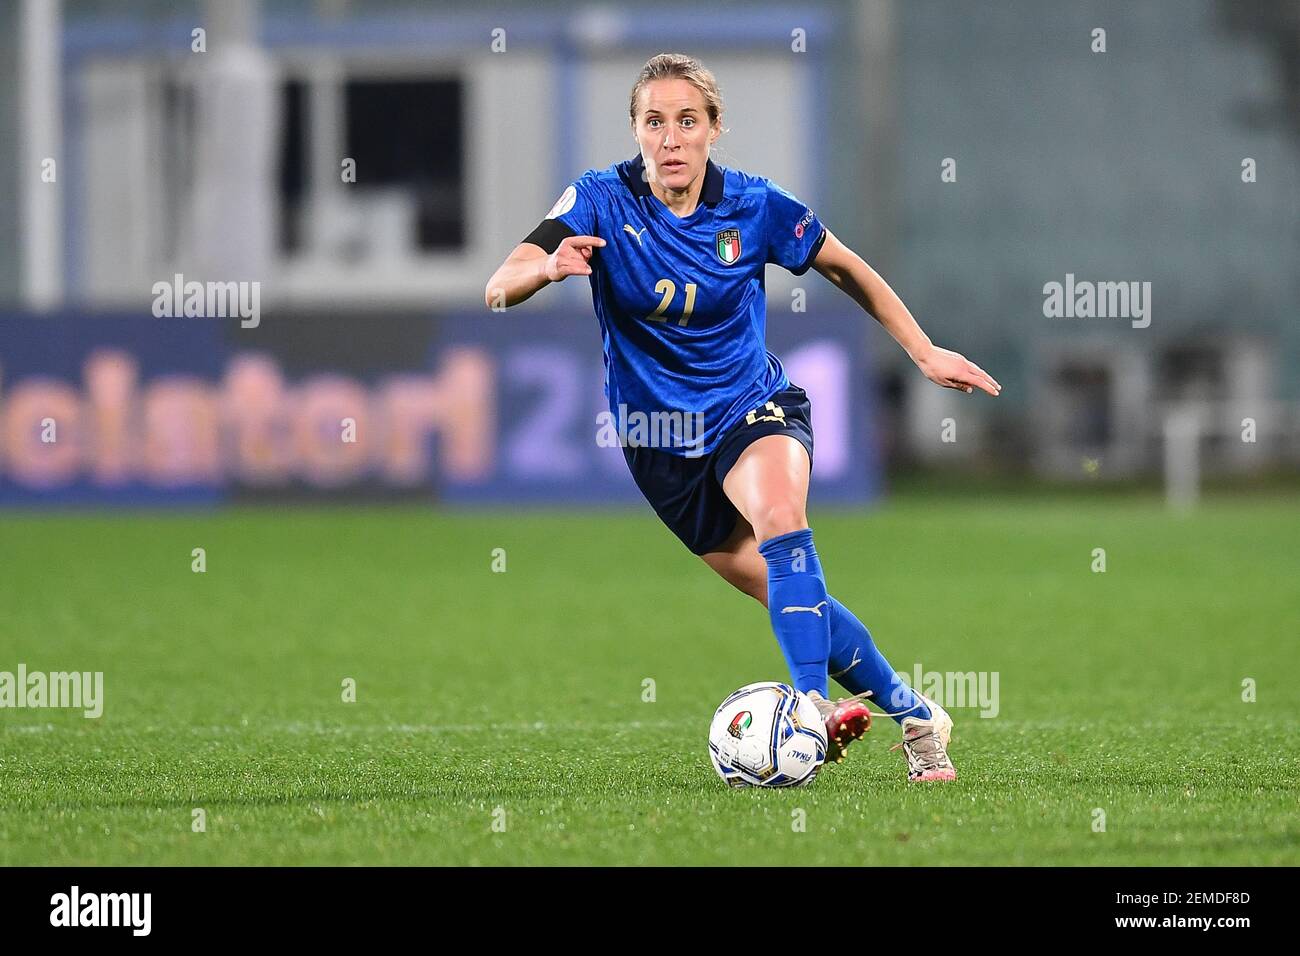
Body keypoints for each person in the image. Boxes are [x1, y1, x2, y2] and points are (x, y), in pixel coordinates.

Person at [485, 53, 1000, 781]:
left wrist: (921, 352)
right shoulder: (599, 200)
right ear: (635, 130)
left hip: (750, 407)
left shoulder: (755, 206)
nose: (670, 138)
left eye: (686, 121)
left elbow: (846, 266)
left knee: (782, 520)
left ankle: (812, 711)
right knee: (783, 587)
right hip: (659, 443)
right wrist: (542, 269)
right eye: (654, 121)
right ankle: (915, 714)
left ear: (713, 129)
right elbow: (497, 288)